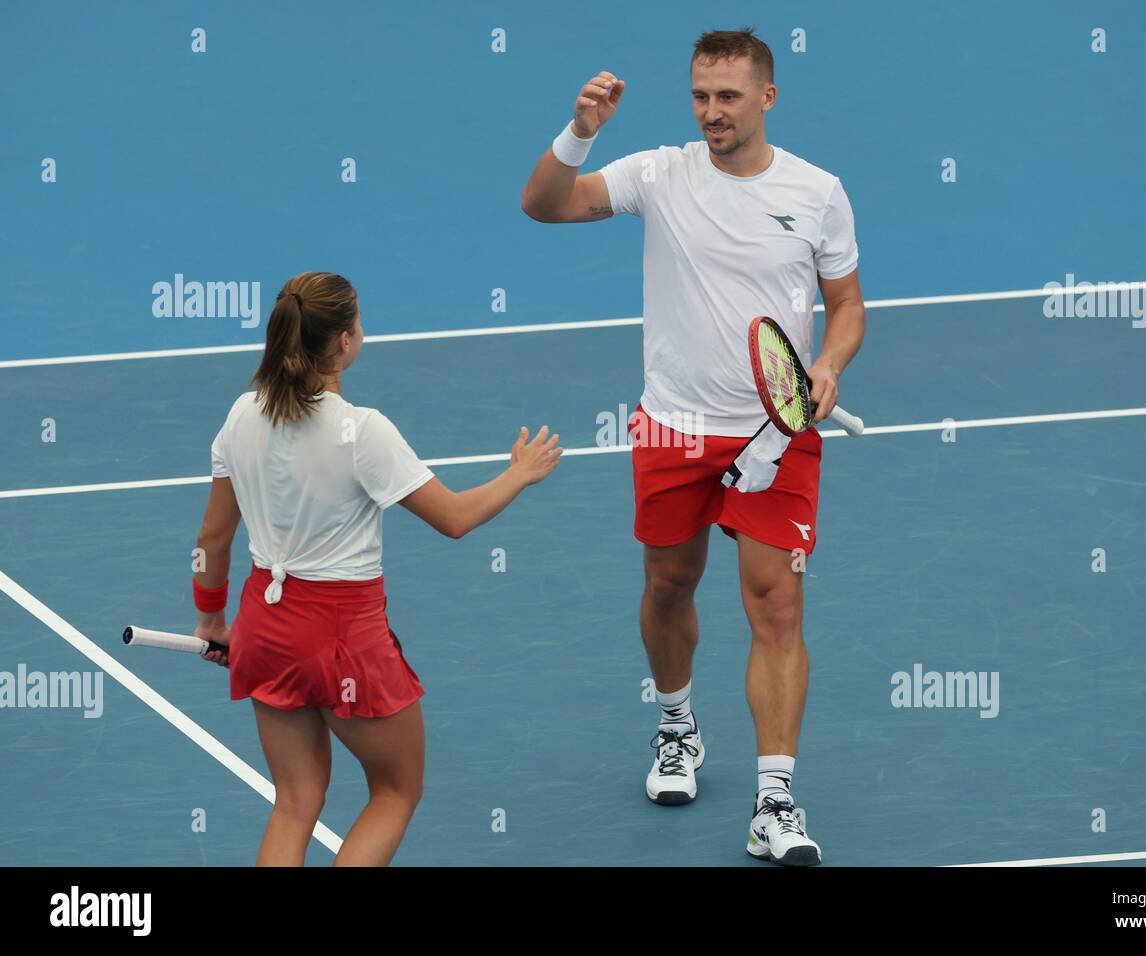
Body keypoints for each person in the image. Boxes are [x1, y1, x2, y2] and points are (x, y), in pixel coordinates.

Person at [521, 28, 865, 866]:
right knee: (668, 586)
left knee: (775, 605)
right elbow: (545, 204)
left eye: (728, 97)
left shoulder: (818, 192)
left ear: (767, 99)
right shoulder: (657, 174)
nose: (711, 112)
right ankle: (677, 728)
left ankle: (775, 801)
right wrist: (582, 128)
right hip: (672, 427)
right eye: (701, 96)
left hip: (774, 434)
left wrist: (827, 362)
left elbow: (848, 305)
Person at [191, 271, 561, 866]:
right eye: (357, 323)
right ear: (343, 341)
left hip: (265, 625)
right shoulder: (363, 432)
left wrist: (211, 619)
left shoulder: (240, 417)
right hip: (342, 640)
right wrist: (518, 474)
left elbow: (212, 537)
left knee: (294, 799)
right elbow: (455, 519)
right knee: (395, 791)